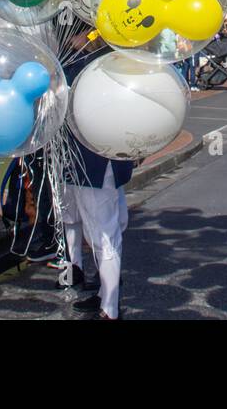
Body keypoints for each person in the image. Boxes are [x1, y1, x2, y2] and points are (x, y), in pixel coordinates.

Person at [66, 131, 132, 320]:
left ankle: (110, 310)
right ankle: (106, 296)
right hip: (109, 155)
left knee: (104, 236)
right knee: (109, 231)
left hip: (94, 163)